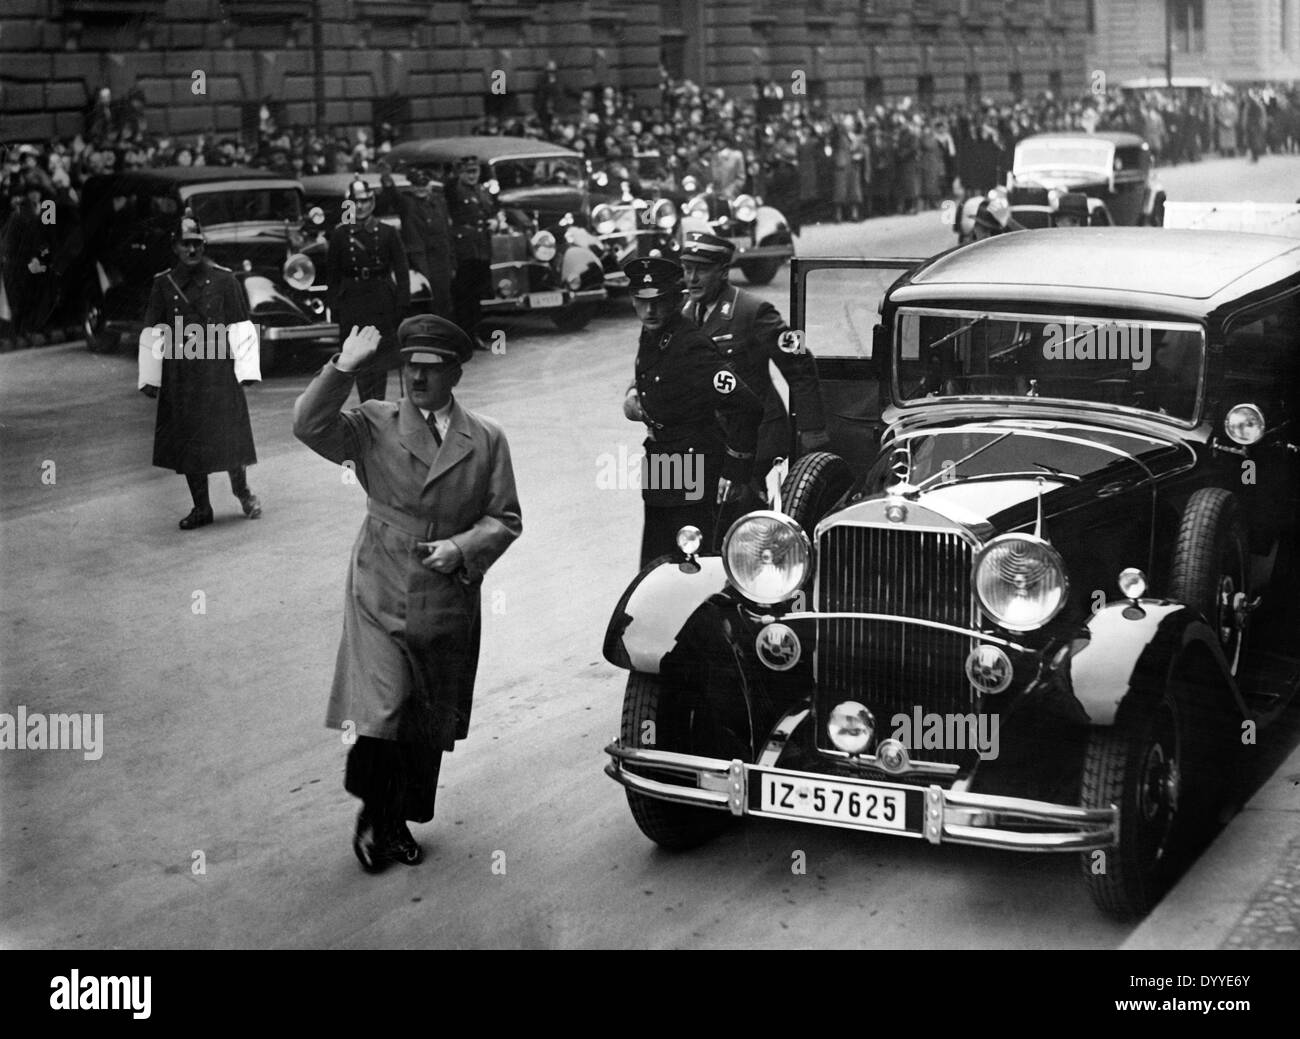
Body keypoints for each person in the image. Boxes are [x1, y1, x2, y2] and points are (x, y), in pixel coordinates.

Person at [292, 315, 522, 872]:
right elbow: (308, 425)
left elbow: (506, 517)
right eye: (408, 368)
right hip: (382, 578)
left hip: (446, 592)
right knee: (384, 707)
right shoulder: (373, 423)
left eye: (430, 369)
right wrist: (342, 367)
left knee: (425, 714)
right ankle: (378, 819)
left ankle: (400, 814)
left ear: (454, 374)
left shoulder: (486, 437)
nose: (416, 379)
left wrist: (465, 549)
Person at [623, 256, 764, 567]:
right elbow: (651, 375)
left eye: (659, 301)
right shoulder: (653, 334)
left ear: (676, 299)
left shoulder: (691, 346)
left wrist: (734, 470)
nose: (650, 311)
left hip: (692, 461)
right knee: (655, 561)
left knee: (690, 562)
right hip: (662, 457)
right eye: (641, 302)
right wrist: (635, 397)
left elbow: (747, 404)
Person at [136, 215, 262, 529]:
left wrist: (246, 370)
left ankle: (242, 490)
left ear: (203, 245)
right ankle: (201, 507)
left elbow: (240, 324)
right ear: (175, 247)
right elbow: (153, 329)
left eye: (197, 243)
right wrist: (150, 377)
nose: (191, 249)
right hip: (181, 375)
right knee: (188, 443)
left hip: (217, 370)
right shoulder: (163, 283)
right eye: (185, 244)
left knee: (228, 436)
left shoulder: (224, 279)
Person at [678, 231, 829, 484]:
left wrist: (813, 429)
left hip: (759, 441)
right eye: (687, 269)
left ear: (723, 272)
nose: (692, 279)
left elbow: (801, 361)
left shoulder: (755, 311)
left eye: (701, 271)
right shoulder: (687, 313)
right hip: (711, 439)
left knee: (748, 518)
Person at [325, 178, 409, 402]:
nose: (360, 207)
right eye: (355, 202)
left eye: (364, 201)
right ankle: (367, 405)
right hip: (353, 301)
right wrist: (334, 306)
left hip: (380, 299)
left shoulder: (387, 232)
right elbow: (332, 274)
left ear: (372, 202)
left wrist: (402, 301)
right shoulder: (341, 235)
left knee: (379, 358)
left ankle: (378, 403)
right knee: (359, 358)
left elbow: (401, 269)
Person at [443, 154, 496, 345]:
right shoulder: (455, 189)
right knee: (463, 296)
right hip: (464, 249)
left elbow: (490, 211)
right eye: (468, 172)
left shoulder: (481, 191)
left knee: (476, 295)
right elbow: (447, 187)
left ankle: (474, 334)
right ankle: (464, 336)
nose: (472, 175)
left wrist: (494, 221)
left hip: (481, 248)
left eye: (475, 171)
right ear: (460, 173)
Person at [397, 168, 456, 320]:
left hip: (442, 260)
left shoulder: (438, 203)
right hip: (424, 261)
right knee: (430, 304)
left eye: (424, 184)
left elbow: (447, 233)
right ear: (411, 187)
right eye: (417, 185)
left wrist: (452, 261)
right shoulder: (409, 205)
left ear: (430, 185)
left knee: (445, 302)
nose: (421, 189)